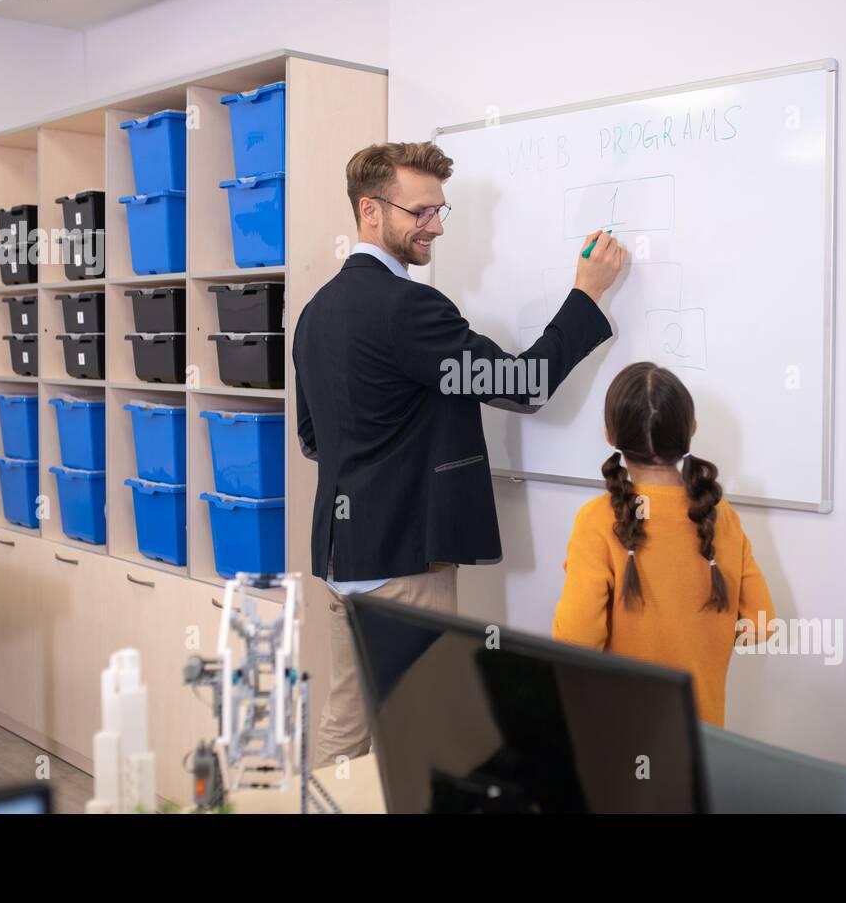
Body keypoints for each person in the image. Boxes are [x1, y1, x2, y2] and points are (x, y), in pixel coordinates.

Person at [292, 141, 626, 766]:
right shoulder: (408, 308)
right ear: (370, 211)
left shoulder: (316, 312)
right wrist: (587, 295)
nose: (436, 227)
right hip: (402, 565)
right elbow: (524, 385)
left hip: (343, 559)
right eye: (420, 212)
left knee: (348, 721)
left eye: (440, 211)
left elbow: (313, 437)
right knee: (426, 736)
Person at [552, 361, 775, 726]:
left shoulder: (597, 520)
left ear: (610, 435)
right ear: (692, 430)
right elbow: (762, 624)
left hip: (618, 734)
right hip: (701, 735)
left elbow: (576, 640)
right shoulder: (722, 516)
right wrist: (696, 632)